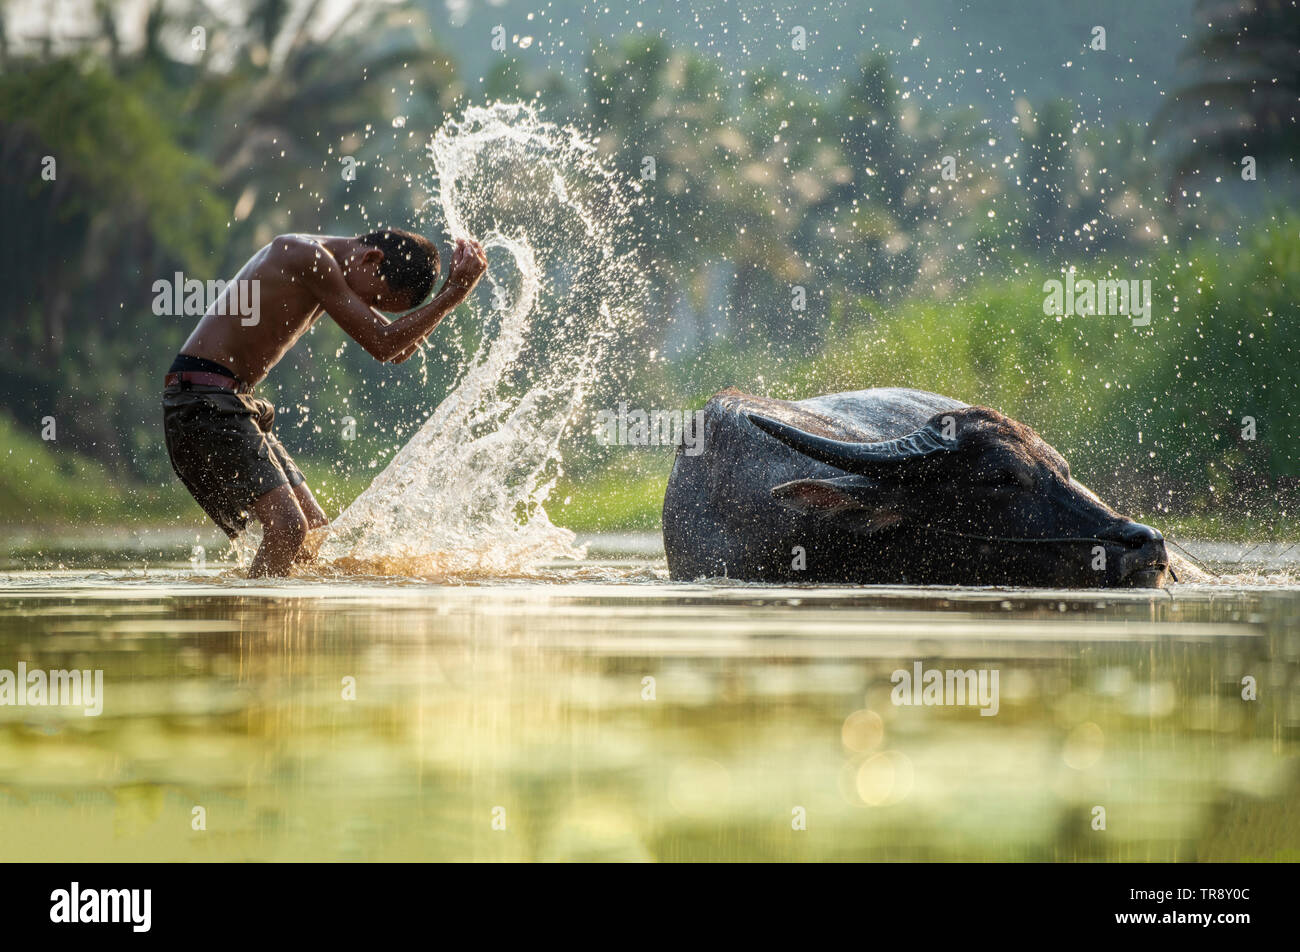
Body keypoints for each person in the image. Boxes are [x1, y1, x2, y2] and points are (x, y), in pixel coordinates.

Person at [162, 229, 488, 576]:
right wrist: (454, 293)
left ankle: (279, 613)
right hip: (202, 398)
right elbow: (384, 343)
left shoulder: (329, 267)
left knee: (313, 530)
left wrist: (451, 294)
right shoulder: (308, 257)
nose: (369, 310)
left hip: (231, 400)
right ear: (372, 258)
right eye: (375, 300)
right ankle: (254, 615)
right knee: (288, 526)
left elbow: (398, 349)